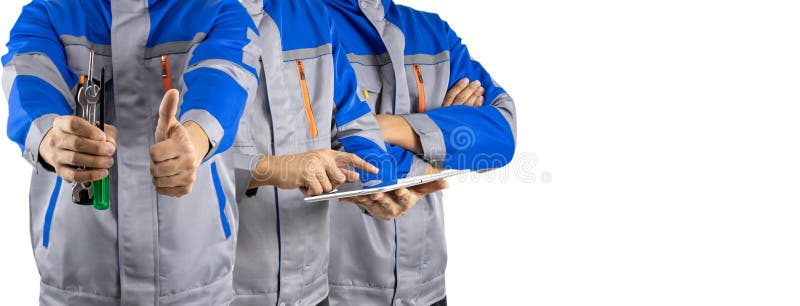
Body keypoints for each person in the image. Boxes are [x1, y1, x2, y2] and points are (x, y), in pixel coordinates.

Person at [3, 0, 258, 304]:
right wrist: (51, 138)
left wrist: (196, 138)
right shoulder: (49, 12)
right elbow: (28, 81)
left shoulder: (219, 10)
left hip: (196, 283)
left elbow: (226, 78)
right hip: (77, 283)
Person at [231, 1, 447, 305]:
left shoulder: (313, 16)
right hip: (224, 290)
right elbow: (169, 161)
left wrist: (378, 187)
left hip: (311, 291)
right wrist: (268, 170)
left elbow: (354, 124)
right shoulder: (186, 17)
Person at [323, 0, 518, 305]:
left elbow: (502, 135)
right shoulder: (297, 27)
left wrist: (382, 127)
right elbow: (300, 149)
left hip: (427, 291)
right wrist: (442, 141)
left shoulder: (433, 32)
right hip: (328, 291)